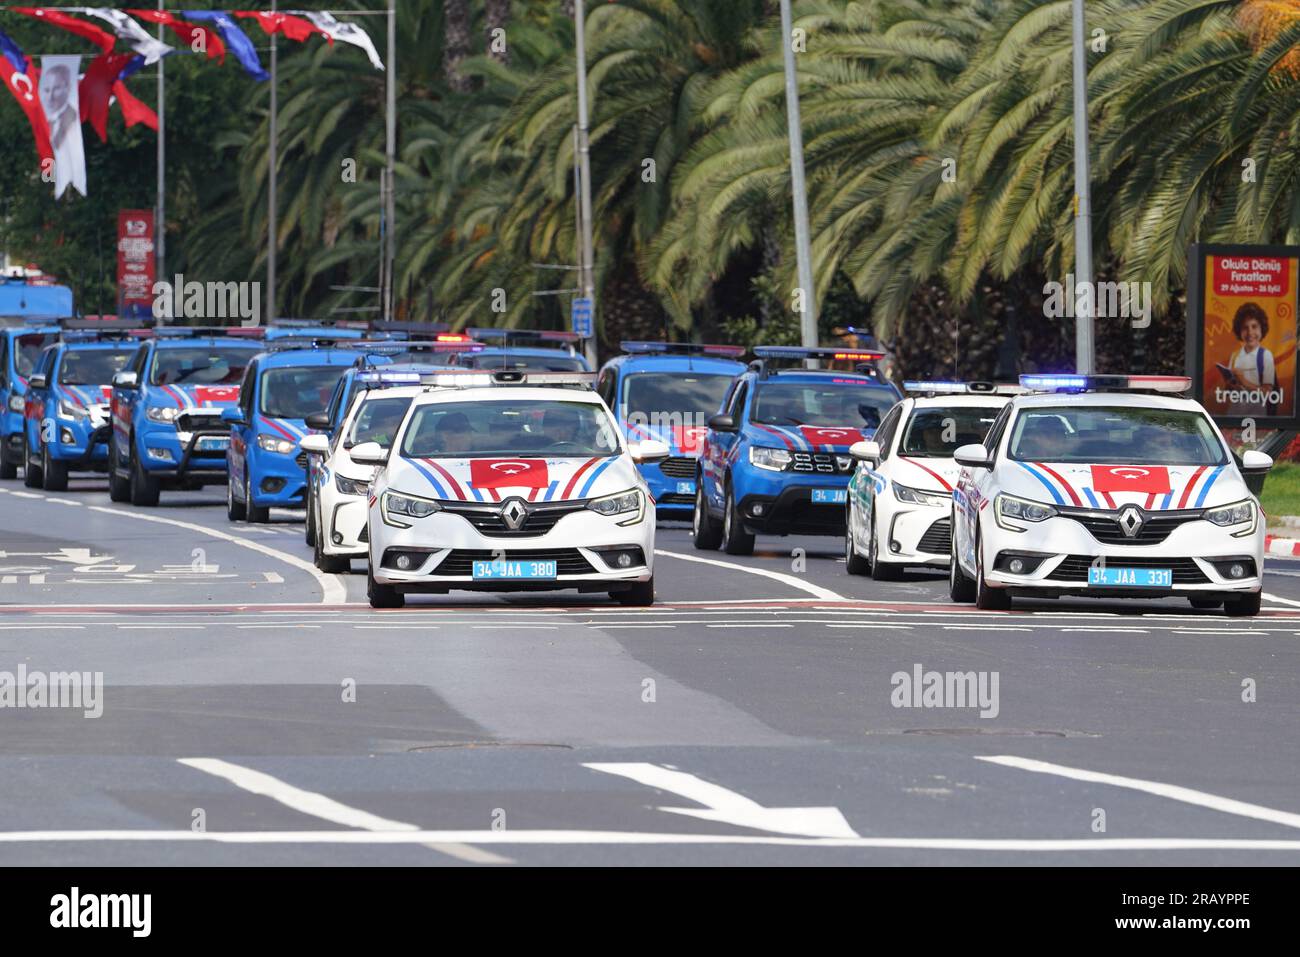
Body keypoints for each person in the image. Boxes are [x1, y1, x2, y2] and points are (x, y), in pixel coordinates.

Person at [1220, 302, 1280, 416]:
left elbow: (1268, 393)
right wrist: (1229, 386)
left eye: (1254, 326)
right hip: (1234, 414)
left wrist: (1244, 382)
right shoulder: (1235, 355)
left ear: (1262, 328)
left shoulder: (1265, 356)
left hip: (1257, 416)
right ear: (1239, 330)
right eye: (1245, 327)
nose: (1250, 332)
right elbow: (1229, 391)